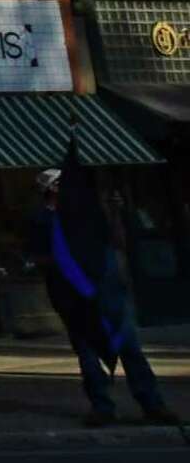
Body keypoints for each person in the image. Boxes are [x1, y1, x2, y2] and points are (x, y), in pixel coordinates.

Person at [27, 167, 179, 427]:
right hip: (74, 297)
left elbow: (115, 242)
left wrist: (115, 214)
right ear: (51, 189)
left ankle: (153, 405)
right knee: (88, 353)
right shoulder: (41, 220)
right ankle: (103, 407)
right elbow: (39, 257)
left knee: (129, 349)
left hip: (107, 293)